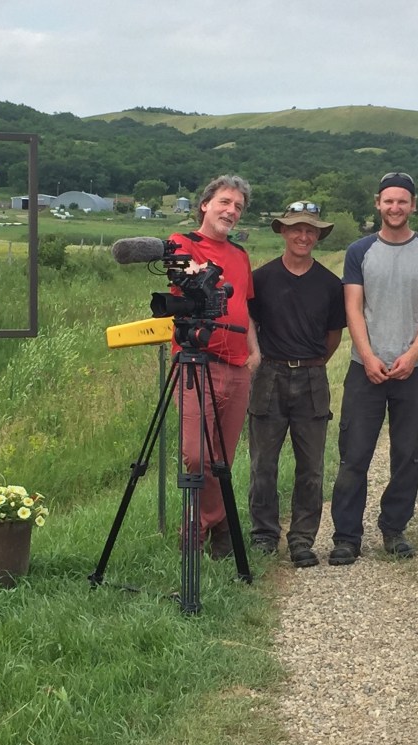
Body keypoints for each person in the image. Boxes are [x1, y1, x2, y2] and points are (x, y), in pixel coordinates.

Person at [328, 172, 418, 565]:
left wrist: (413, 355)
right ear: (377, 204)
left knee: (409, 453)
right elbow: (353, 308)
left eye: (403, 201)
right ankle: (347, 536)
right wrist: (366, 355)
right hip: (365, 369)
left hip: (414, 371)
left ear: (413, 205)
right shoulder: (359, 251)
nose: (395, 208)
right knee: (354, 453)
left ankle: (394, 529)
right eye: (388, 201)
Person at [247, 201, 346, 568]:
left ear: (318, 235)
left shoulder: (330, 284)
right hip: (268, 376)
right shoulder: (262, 279)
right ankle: (264, 535)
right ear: (283, 232)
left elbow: (333, 334)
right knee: (262, 464)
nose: (303, 235)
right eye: (296, 229)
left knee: (312, 467)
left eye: (311, 230)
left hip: (311, 377)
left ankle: (303, 539)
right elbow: (250, 326)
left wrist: (314, 363)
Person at [168, 174, 260, 560]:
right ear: (205, 204)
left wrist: (255, 353)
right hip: (195, 364)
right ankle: (211, 523)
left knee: (222, 458)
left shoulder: (240, 256)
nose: (231, 211)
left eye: (238, 207)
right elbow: (179, 287)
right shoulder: (182, 244)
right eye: (224, 202)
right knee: (196, 454)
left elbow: (247, 310)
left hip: (237, 366)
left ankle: (209, 528)